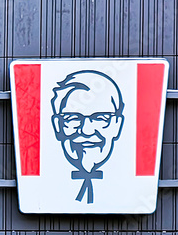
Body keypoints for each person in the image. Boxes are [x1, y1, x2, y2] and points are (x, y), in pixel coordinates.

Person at [49, 70, 125, 203]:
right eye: (72, 118)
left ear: (117, 124)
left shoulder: (126, 188)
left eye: (100, 118)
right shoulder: (46, 188)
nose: (87, 130)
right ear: (57, 125)